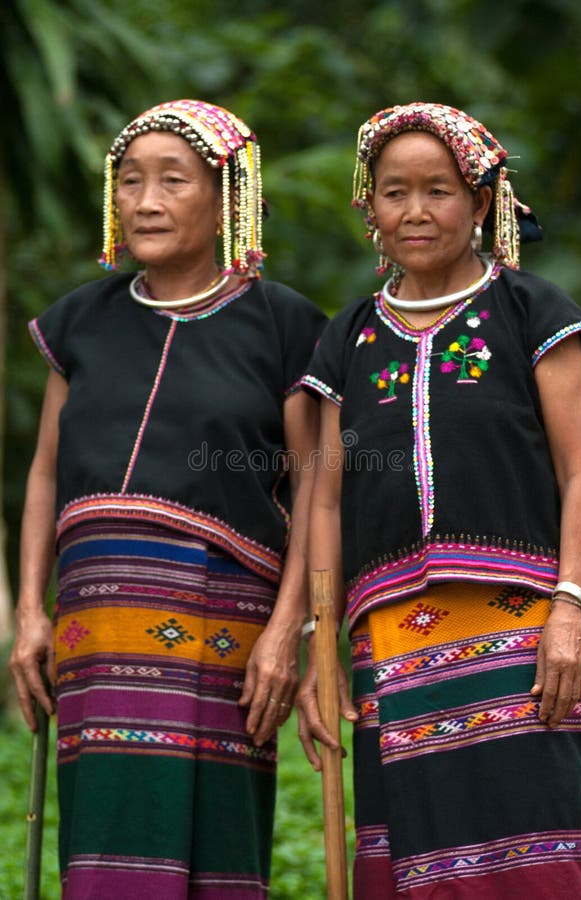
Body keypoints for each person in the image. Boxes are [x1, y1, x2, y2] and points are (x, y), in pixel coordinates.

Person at [9, 98, 326, 899]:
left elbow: (320, 479)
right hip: (94, 627)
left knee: (215, 845)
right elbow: (45, 473)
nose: (144, 200)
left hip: (226, 636)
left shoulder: (283, 324)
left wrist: (289, 630)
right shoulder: (80, 322)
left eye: (171, 181)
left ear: (226, 198)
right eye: (129, 181)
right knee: (108, 847)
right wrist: (29, 612)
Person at [297, 101, 581, 897]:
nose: (416, 211)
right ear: (371, 207)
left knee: (543, 858)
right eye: (394, 192)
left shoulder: (532, 313)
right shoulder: (350, 336)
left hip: (523, 638)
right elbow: (324, 500)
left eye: (438, 189)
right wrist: (318, 648)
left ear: (480, 200)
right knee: (418, 866)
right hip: (390, 647)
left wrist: (572, 606)